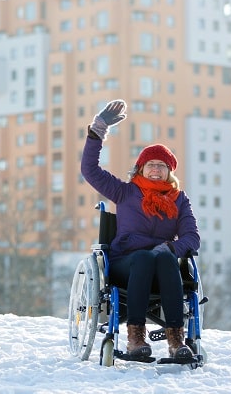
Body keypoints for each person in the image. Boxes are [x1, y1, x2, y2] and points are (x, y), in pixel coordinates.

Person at [80, 99, 200, 360]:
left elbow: (192, 237)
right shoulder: (125, 192)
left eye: (162, 166)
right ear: (141, 168)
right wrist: (98, 130)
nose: (156, 170)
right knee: (145, 257)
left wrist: (170, 247)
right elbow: (89, 170)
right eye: (151, 165)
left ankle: (176, 341)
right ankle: (136, 338)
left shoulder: (179, 199)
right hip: (126, 265)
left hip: (163, 268)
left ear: (169, 172)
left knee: (165, 258)